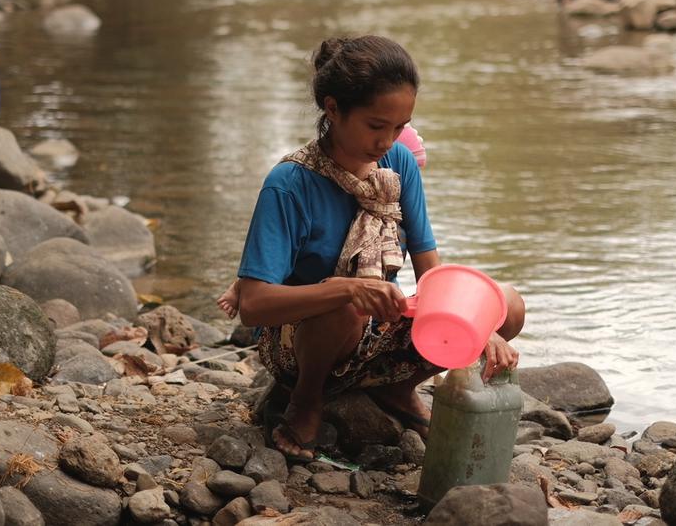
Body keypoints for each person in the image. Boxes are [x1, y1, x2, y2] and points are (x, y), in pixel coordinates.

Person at [223, 35, 526, 461]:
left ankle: (396, 389)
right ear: (333, 109)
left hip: (377, 331)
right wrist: (346, 289)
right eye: (375, 126)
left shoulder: (398, 165)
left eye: (400, 127)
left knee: (505, 303)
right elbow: (254, 305)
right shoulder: (289, 185)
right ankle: (305, 400)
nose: (388, 141)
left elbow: (431, 274)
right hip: (304, 342)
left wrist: (482, 327)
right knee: (348, 302)